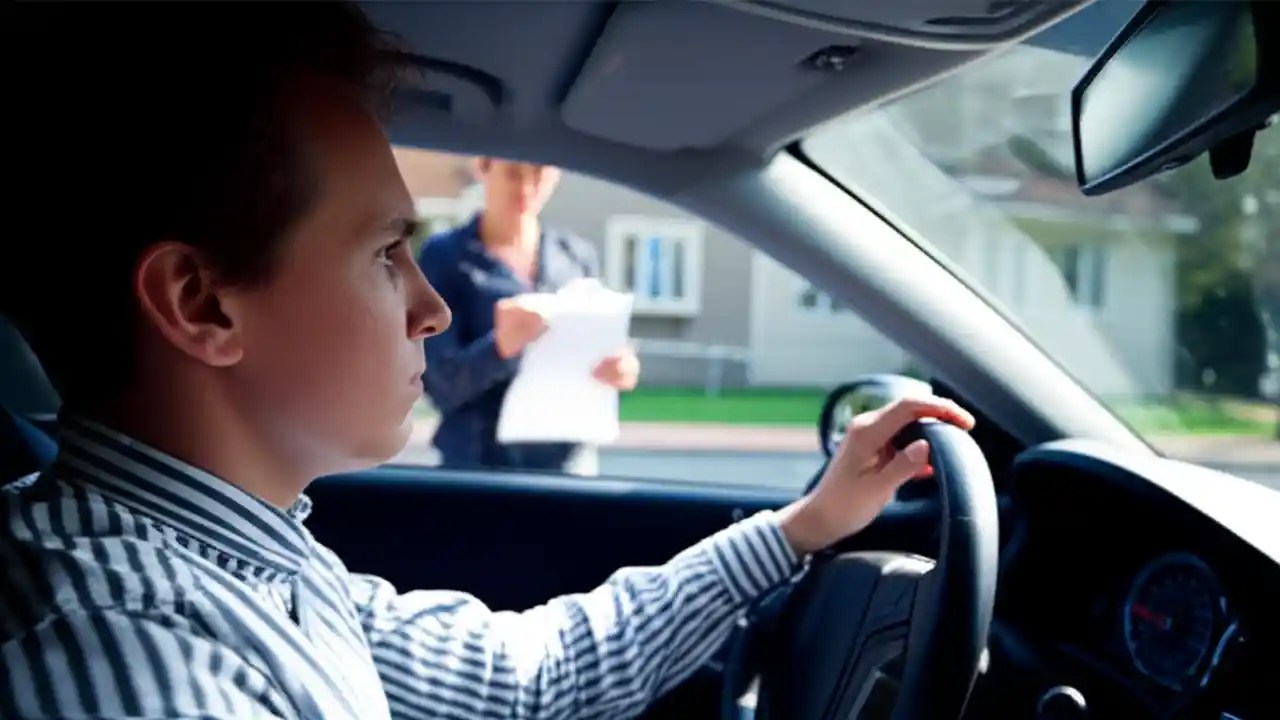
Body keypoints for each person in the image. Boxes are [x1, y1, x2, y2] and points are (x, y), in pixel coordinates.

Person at [2, 4, 975, 719]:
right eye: (385, 254)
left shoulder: (253, 564)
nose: (426, 306)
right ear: (202, 305)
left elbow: (528, 677)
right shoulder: (133, 653)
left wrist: (805, 526)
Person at [418, 158, 638, 474]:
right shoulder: (445, 257)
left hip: (568, 464)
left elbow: (599, 358)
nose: (526, 187)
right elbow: (439, 384)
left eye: (538, 173)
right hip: (478, 468)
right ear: (483, 167)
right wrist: (500, 348)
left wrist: (618, 369)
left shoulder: (576, 257)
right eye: (513, 173)